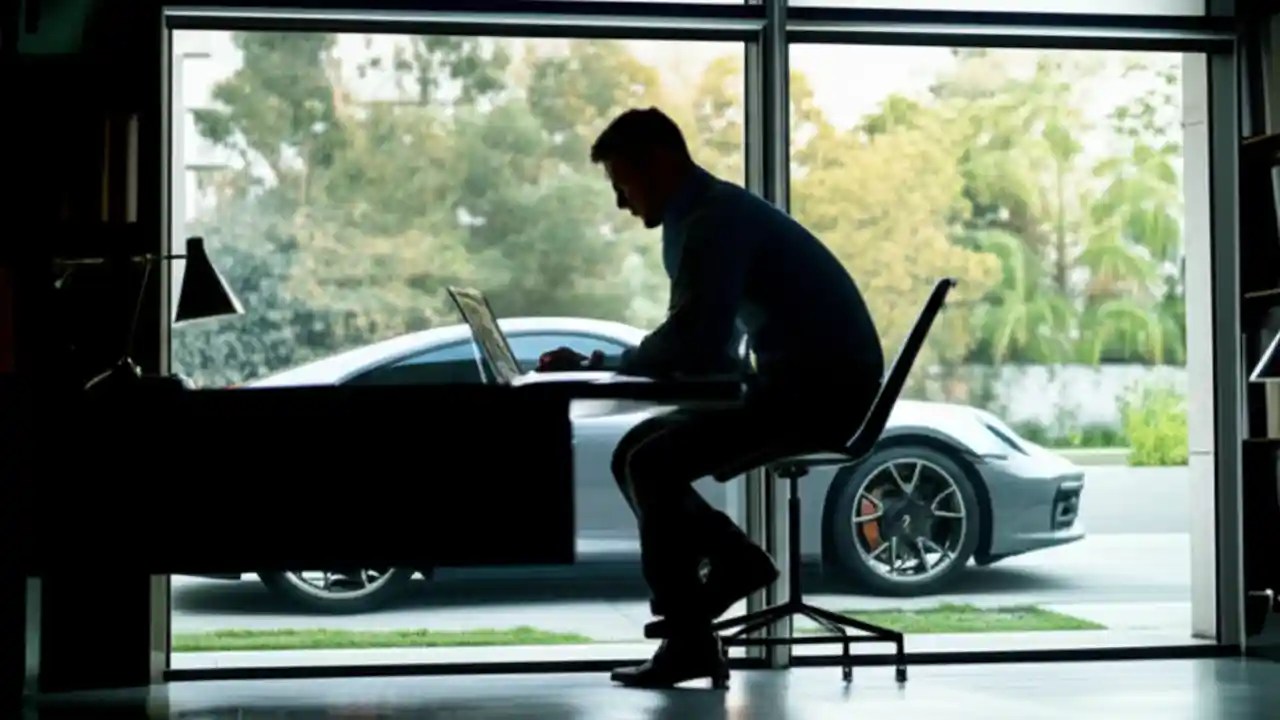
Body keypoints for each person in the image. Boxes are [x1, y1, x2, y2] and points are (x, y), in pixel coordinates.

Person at [540, 107, 885, 689]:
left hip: (820, 396)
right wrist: (627, 360)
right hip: (806, 384)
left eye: (622, 183)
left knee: (651, 461)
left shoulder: (710, 220)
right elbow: (708, 337)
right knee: (637, 448)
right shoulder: (707, 213)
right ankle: (723, 583)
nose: (622, 203)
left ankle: (699, 617)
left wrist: (608, 363)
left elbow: (695, 337)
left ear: (658, 163)